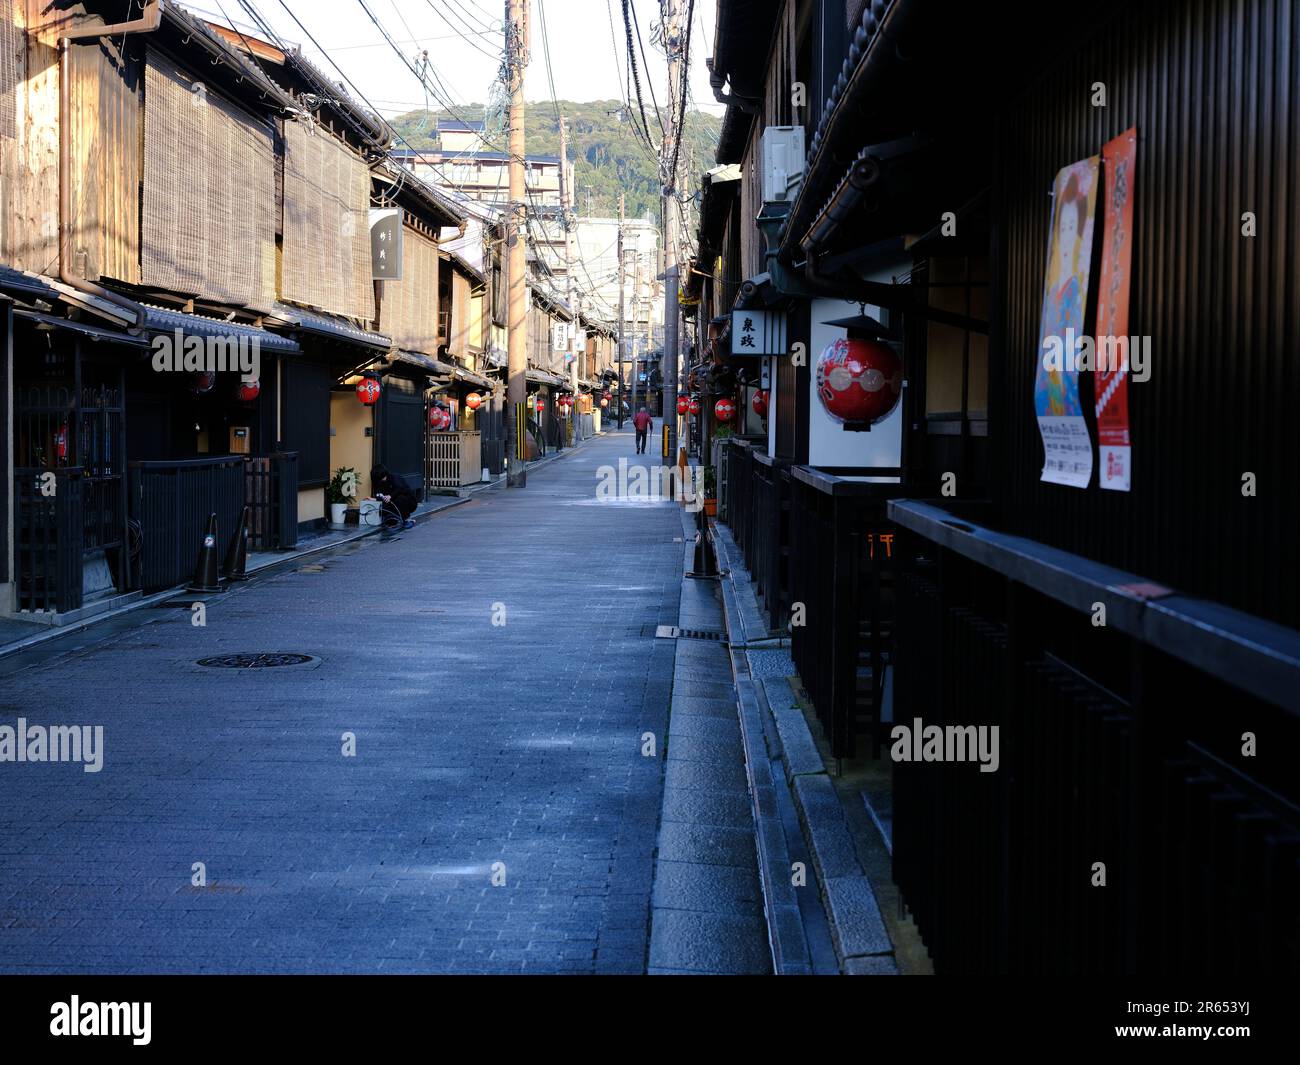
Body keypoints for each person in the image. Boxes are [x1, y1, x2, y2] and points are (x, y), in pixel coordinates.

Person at [370, 464, 418, 530]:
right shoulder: (379, 482)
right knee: (385, 505)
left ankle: (407, 519)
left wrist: (390, 496)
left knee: (400, 499)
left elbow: (401, 489)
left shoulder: (395, 478)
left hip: (409, 502)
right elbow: (381, 495)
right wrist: (374, 499)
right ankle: (393, 521)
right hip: (393, 502)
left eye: (384, 477)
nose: (383, 479)